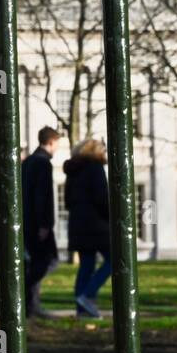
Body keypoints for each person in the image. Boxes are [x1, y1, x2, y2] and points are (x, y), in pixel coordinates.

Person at [65, 136, 113, 318]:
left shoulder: (73, 171)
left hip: (78, 224)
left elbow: (68, 201)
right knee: (113, 260)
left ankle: (82, 309)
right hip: (96, 225)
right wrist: (111, 216)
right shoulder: (95, 168)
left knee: (86, 265)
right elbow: (102, 198)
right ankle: (88, 295)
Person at [22, 126, 61, 319]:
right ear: (52, 142)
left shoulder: (29, 161)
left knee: (39, 262)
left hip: (29, 221)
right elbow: (42, 196)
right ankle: (28, 296)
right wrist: (44, 224)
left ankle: (31, 303)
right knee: (48, 261)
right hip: (38, 223)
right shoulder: (42, 163)